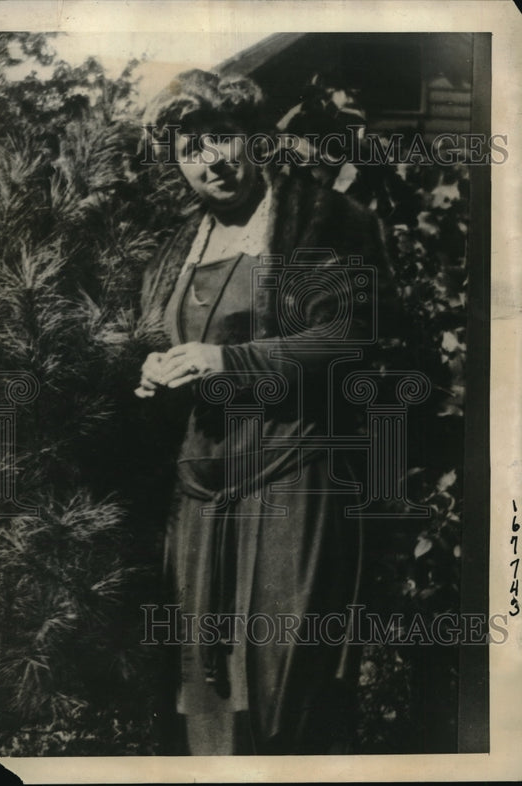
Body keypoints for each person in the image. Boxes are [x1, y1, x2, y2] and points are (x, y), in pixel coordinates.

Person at [135, 69, 390, 755]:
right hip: (201, 491)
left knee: (284, 690)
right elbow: (162, 334)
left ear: (252, 139)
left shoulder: (321, 221)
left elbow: (348, 337)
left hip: (289, 480)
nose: (210, 159)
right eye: (191, 147)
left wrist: (225, 361)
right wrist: (156, 366)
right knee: (202, 701)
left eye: (223, 137)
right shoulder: (174, 251)